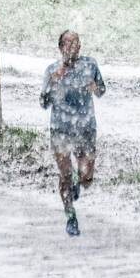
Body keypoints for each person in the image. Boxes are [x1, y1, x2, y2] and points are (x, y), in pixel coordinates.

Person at [40, 29, 106, 236]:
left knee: (87, 178)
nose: (73, 46)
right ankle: (70, 216)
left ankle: (79, 182)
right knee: (65, 174)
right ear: (60, 47)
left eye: (76, 42)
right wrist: (52, 81)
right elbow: (43, 103)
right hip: (61, 129)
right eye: (68, 43)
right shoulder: (52, 70)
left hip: (85, 128)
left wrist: (95, 87)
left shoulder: (90, 65)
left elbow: (102, 91)